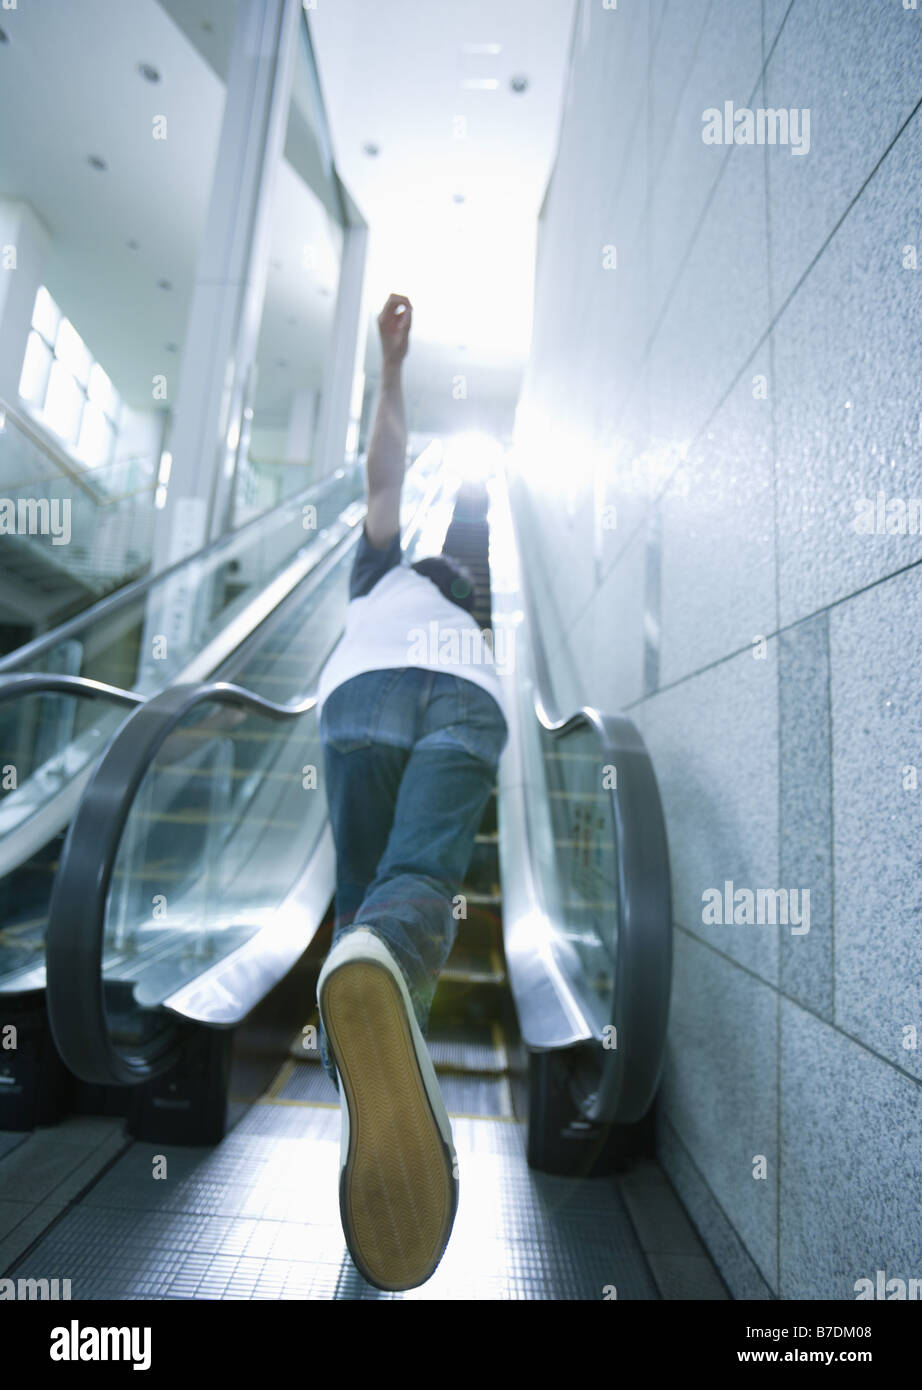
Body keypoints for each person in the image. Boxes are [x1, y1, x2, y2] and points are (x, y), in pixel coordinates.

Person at [314, 293, 508, 1292]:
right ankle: (389, 1028)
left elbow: (382, 473)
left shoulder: (381, 573)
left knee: (364, 909)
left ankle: (366, 1081)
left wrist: (391, 371)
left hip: (364, 688)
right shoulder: (467, 618)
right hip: (470, 695)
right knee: (417, 885)